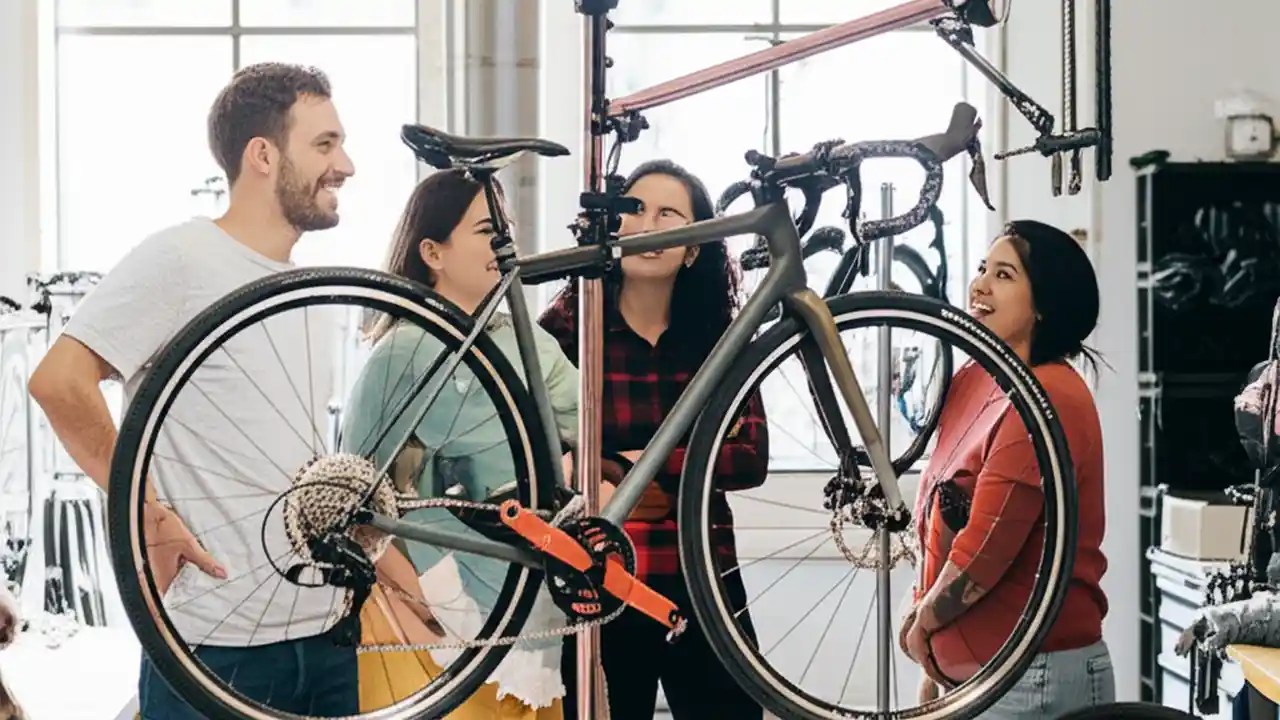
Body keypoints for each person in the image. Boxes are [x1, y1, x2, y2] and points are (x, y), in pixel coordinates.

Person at [28, 62, 357, 718]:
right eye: (324, 144)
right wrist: (146, 513)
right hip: (214, 640)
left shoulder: (311, 288)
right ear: (263, 155)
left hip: (326, 630)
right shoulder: (181, 257)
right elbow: (59, 382)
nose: (346, 165)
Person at [339, 168, 578, 719]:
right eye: (484, 229)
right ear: (433, 251)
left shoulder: (525, 339)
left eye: (507, 227)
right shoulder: (400, 353)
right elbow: (352, 498)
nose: (503, 242)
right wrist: (417, 595)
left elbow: (587, 426)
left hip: (531, 612)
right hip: (432, 622)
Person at [539, 159, 769, 719]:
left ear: (693, 247)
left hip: (702, 575)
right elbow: (543, 456)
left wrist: (631, 465)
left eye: (669, 214)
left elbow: (750, 455)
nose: (647, 226)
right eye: (635, 210)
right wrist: (656, 468)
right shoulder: (567, 327)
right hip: (598, 578)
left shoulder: (721, 336)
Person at [901, 220, 1112, 717]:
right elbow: (940, 524)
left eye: (1004, 274)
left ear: (1043, 304)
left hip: (1031, 674)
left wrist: (921, 627)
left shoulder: (1049, 396)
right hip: (971, 673)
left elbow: (985, 552)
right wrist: (933, 662)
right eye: (981, 269)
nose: (979, 285)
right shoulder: (973, 381)